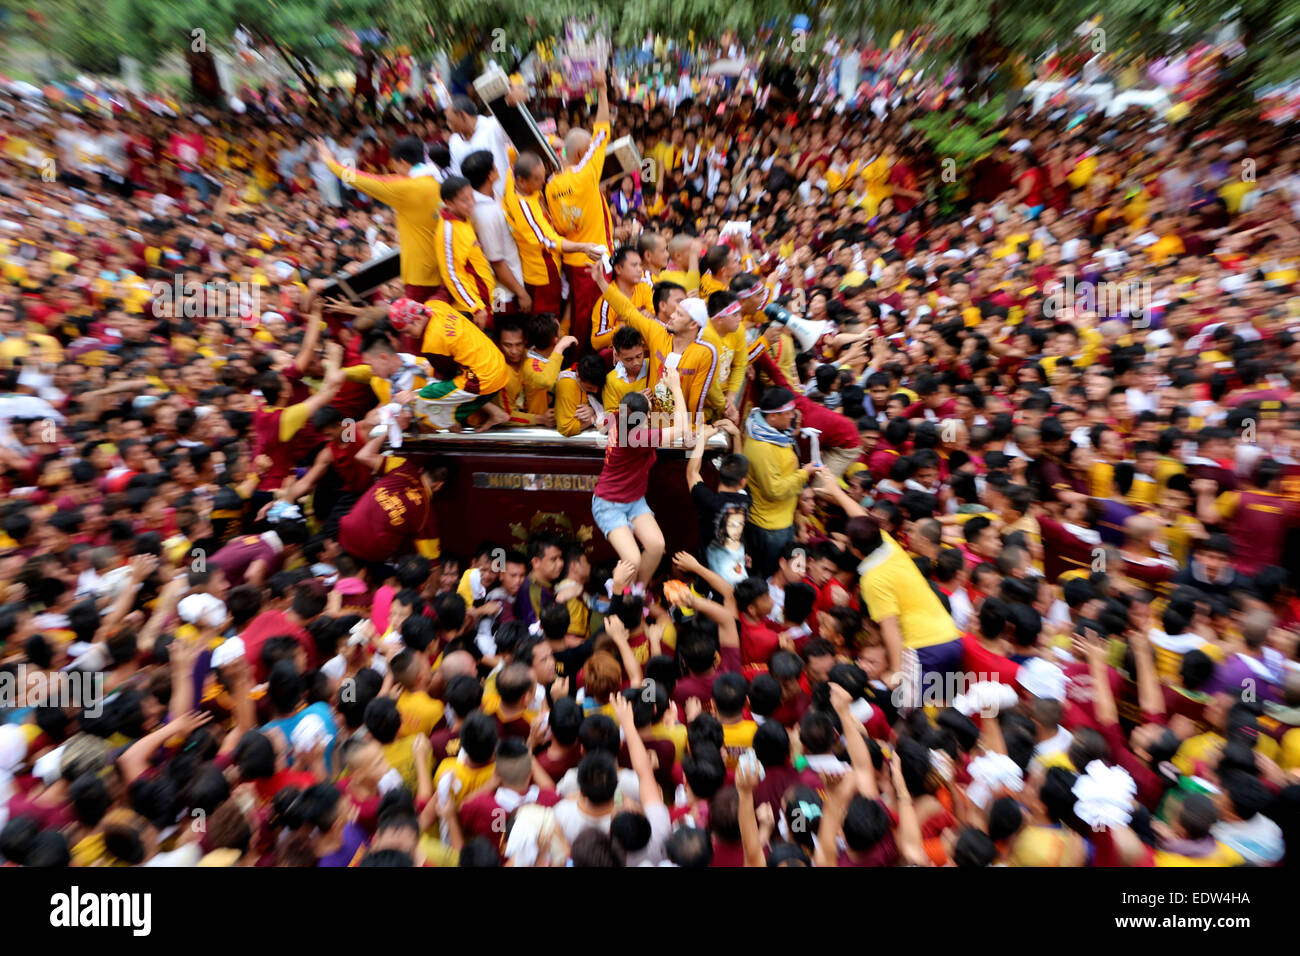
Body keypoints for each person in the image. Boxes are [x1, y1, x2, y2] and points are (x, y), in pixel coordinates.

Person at [591, 369, 689, 587]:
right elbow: (682, 428)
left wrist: (639, 402)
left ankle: (638, 593)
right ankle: (621, 598)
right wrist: (675, 387)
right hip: (609, 505)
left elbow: (601, 424)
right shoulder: (637, 437)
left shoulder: (618, 418)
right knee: (633, 560)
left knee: (656, 545)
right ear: (643, 417)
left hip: (633, 500)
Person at [545, 67, 613, 351]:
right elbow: (603, 130)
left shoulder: (551, 185)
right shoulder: (586, 173)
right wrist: (602, 89)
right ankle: (582, 363)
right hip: (592, 260)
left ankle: (576, 358)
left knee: (578, 313)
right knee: (591, 318)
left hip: (572, 261)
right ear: (581, 154)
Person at [743, 388, 818, 577]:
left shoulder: (775, 435)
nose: (793, 417)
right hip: (770, 528)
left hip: (782, 521)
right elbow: (774, 490)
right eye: (789, 413)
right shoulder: (762, 447)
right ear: (773, 417)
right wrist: (803, 474)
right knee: (768, 576)